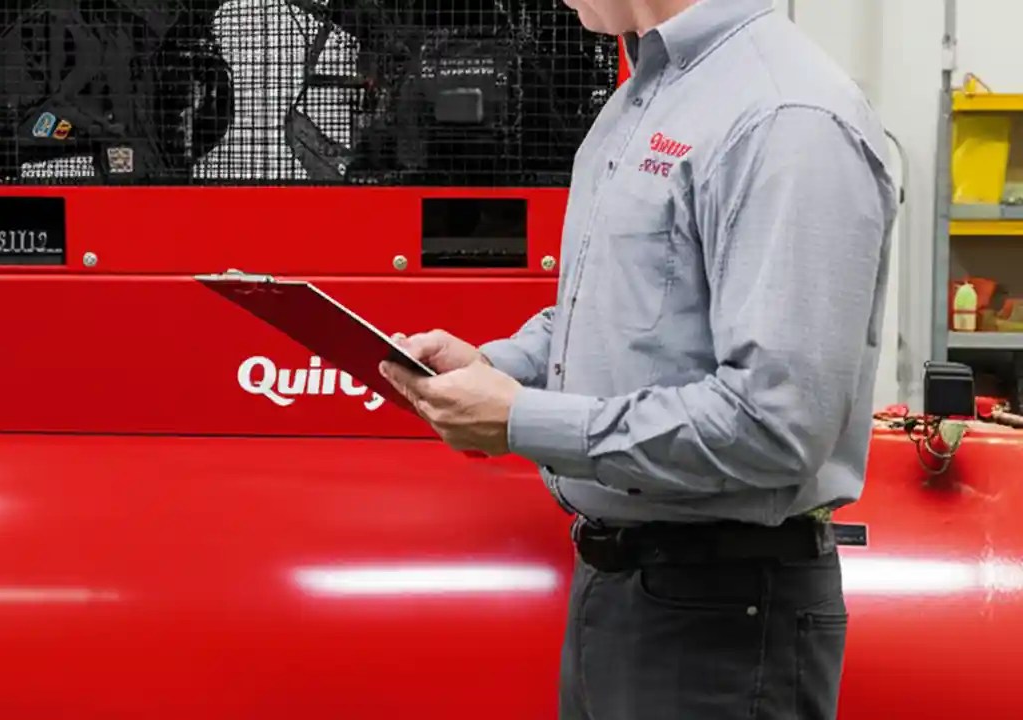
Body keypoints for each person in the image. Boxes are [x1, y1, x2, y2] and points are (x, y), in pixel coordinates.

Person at [378, 0, 897, 718]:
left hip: (724, 615)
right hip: (621, 590)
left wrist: (523, 421)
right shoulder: (642, 96)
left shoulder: (787, 117)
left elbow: (776, 425)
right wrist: (502, 366)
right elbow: (608, 304)